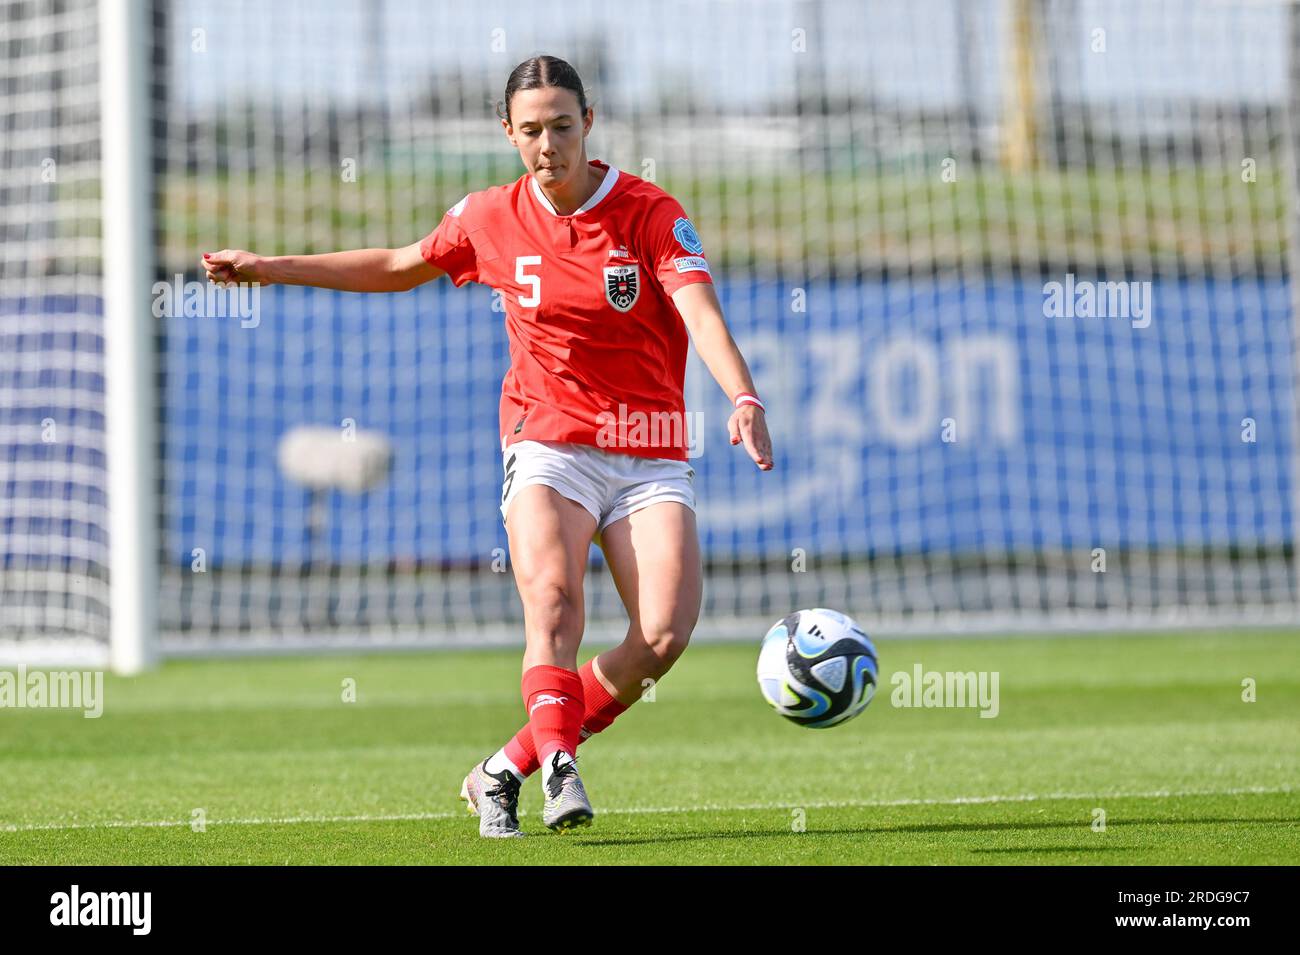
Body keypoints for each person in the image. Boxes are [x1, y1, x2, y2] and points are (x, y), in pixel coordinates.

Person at [201, 54, 773, 837]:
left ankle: (503, 768)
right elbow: (400, 265)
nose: (548, 145)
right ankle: (562, 770)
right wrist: (272, 267)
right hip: (548, 441)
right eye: (531, 130)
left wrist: (740, 394)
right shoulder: (488, 217)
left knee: (663, 636)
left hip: (649, 447)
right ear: (508, 133)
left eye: (562, 127)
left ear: (589, 125)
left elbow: (700, 314)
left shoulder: (650, 212)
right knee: (553, 600)